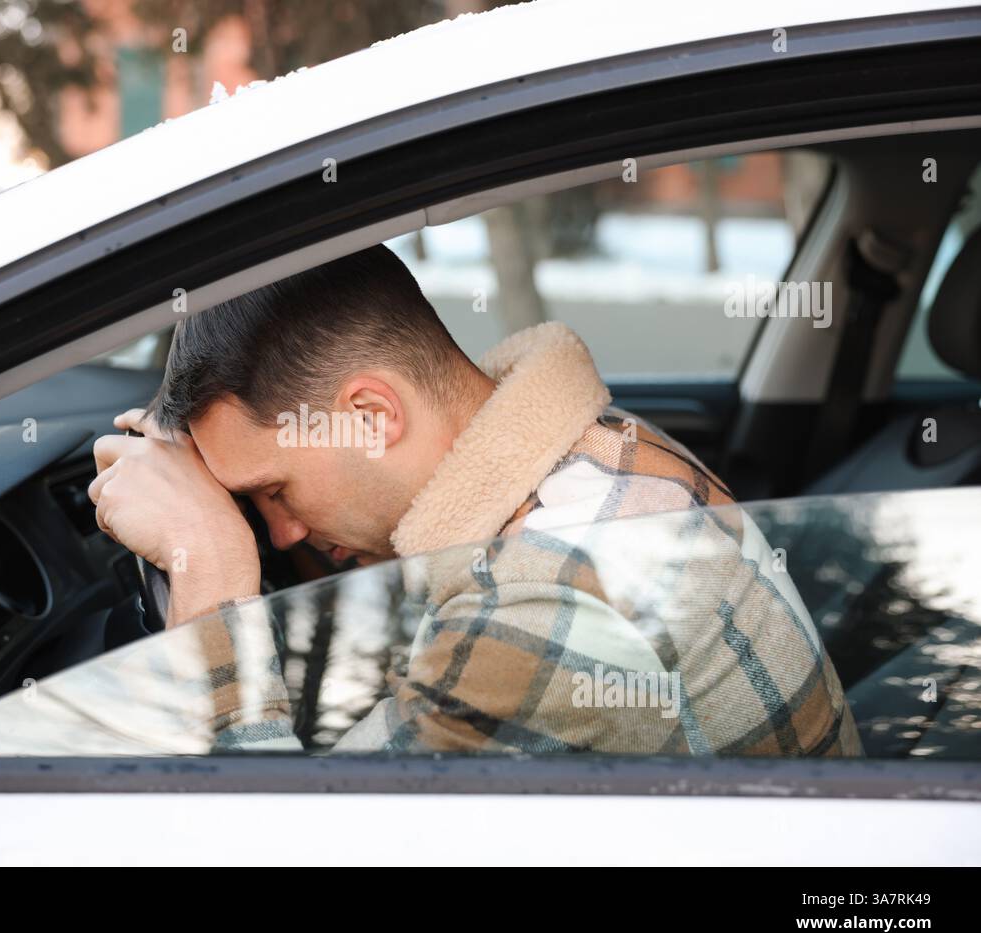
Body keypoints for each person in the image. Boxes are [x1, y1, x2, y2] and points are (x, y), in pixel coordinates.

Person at [82, 243, 862, 757]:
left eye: (273, 491)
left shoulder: (547, 591)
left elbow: (279, 843)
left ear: (369, 417)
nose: (280, 534)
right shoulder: (603, 447)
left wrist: (212, 568)